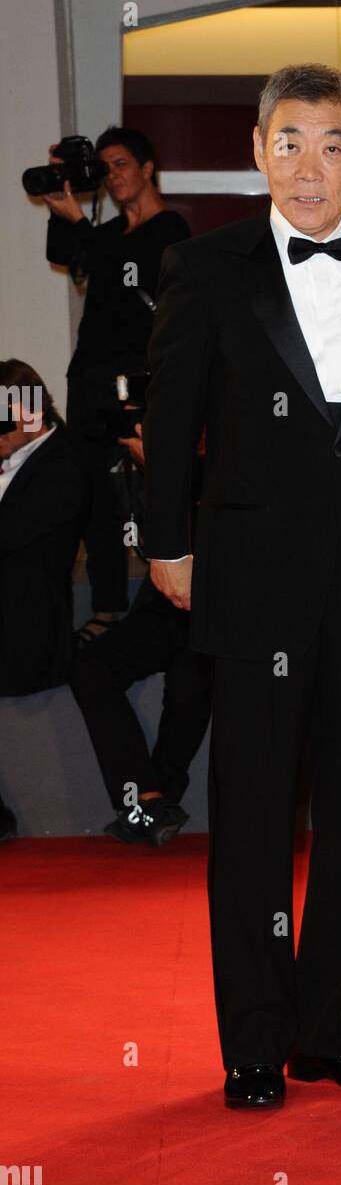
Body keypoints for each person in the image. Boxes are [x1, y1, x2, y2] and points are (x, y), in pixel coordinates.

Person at [143, 62, 341, 1109]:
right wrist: (163, 543)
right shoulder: (204, 266)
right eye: (289, 141)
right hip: (252, 582)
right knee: (252, 818)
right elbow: (169, 417)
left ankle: (333, 1030)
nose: (309, 165)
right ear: (257, 152)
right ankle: (253, 1042)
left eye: (331, 143)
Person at [43, 126, 190, 644]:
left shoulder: (170, 229)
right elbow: (63, 254)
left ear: (148, 168)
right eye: (104, 168)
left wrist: (82, 222)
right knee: (93, 494)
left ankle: (169, 602)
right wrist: (60, 198)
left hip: (140, 380)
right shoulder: (104, 234)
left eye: (122, 163)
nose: (112, 176)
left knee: (155, 486)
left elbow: (128, 276)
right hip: (89, 376)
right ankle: (106, 606)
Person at [68, 422, 212, 849]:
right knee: (90, 666)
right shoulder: (122, 468)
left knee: (193, 675)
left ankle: (159, 797)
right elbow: (132, 543)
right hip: (160, 606)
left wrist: (167, 472)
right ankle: (146, 797)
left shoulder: (229, 461)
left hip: (222, 609)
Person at [0, 359, 88, 839]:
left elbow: (12, 534)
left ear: (28, 412)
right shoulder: (16, 461)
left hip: (28, 624)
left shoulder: (63, 462)